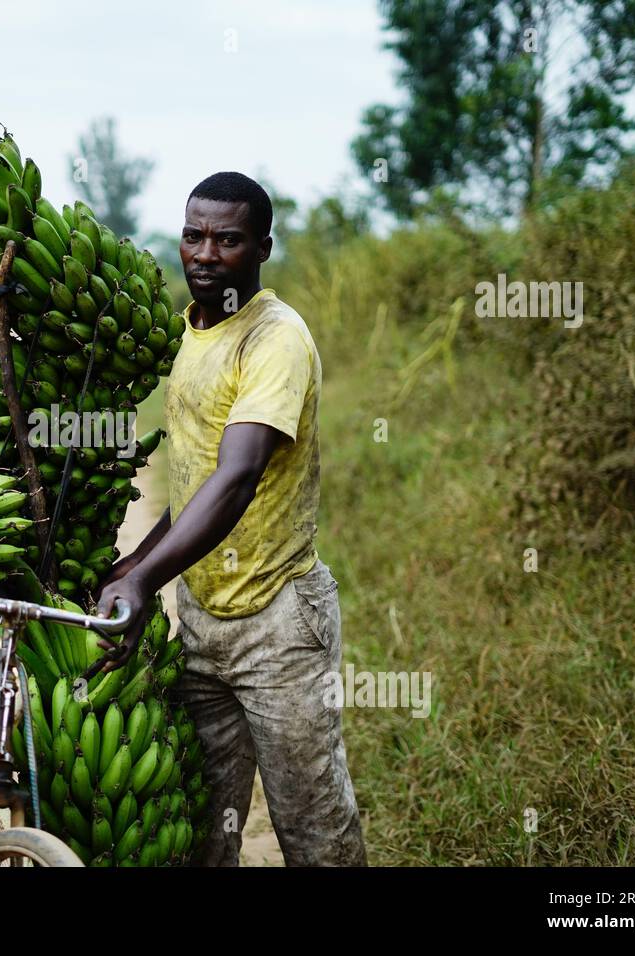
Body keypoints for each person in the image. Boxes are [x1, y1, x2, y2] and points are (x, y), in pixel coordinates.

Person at [96, 172, 367, 866]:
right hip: (203, 618)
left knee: (313, 829)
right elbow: (194, 487)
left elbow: (237, 475)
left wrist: (145, 576)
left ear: (262, 248)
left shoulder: (275, 339)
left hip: (277, 624)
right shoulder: (193, 334)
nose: (206, 253)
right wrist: (134, 570)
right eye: (194, 235)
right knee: (200, 825)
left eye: (228, 239)